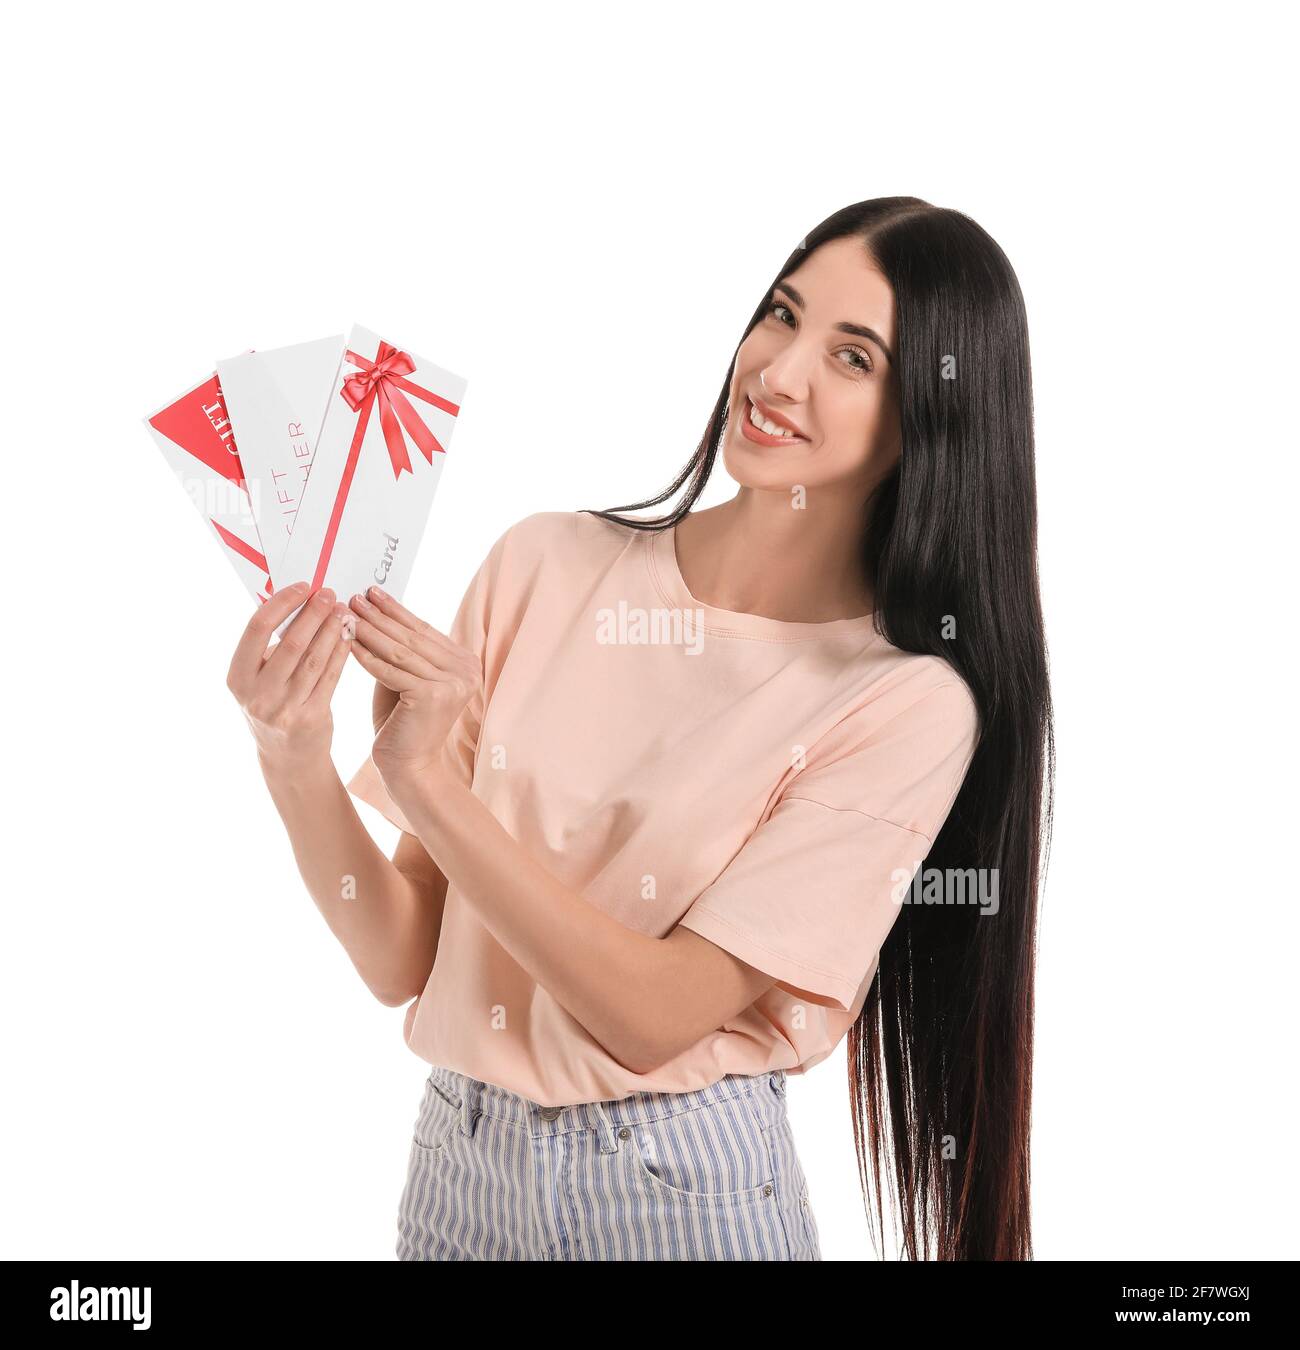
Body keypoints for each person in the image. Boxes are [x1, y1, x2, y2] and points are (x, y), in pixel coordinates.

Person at [226, 196, 1052, 1261]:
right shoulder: (544, 564)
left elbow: (652, 1015)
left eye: (852, 358)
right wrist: (291, 752)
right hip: (457, 1164)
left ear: (929, 416)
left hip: (677, 1192)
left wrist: (429, 782)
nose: (780, 372)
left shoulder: (900, 702)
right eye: (782, 315)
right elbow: (401, 955)